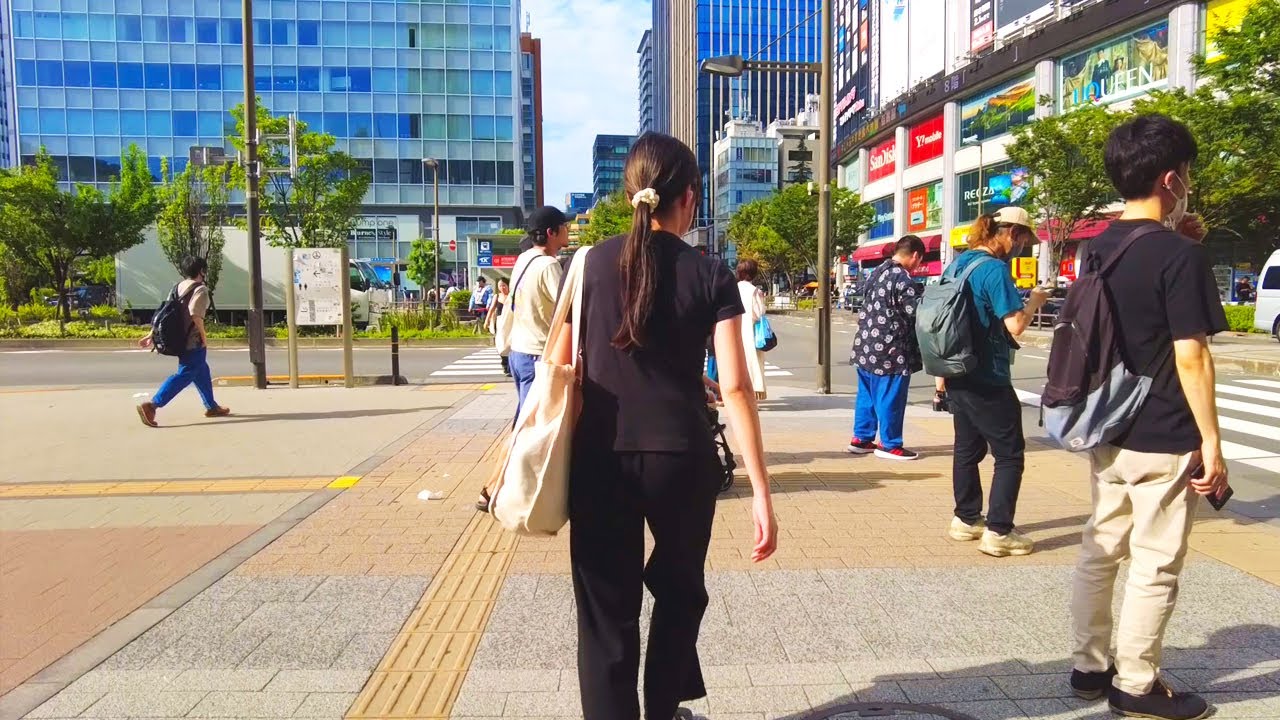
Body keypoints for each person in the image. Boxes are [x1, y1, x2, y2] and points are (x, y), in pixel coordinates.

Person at [543, 133, 777, 720]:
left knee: (605, 613)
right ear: (690, 198)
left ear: (630, 196)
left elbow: (566, 364)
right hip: (681, 459)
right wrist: (761, 491)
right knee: (679, 594)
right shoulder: (711, 273)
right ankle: (664, 710)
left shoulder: (588, 264)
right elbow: (736, 387)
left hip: (602, 457)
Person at [1069, 114, 1227, 720]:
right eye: (1186, 172)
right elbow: (1191, 356)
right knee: (1155, 561)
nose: (1188, 182)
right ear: (1170, 178)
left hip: (1106, 424)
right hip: (1163, 431)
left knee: (1101, 547)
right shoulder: (1180, 255)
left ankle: (1089, 667)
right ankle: (1135, 683)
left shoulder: (1096, 248)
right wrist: (1211, 442)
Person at [945, 206, 1049, 557]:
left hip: (956, 371)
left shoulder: (957, 264)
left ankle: (966, 519)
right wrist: (1034, 301)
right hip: (988, 375)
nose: (1021, 249)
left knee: (966, 449)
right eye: (1023, 241)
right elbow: (1015, 325)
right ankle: (999, 532)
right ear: (1011, 234)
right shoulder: (993, 269)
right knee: (1009, 454)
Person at [848, 235, 926, 460]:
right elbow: (916, 312)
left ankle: (861, 438)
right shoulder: (902, 278)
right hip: (891, 351)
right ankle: (890, 444)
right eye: (919, 260)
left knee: (867, 395)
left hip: (865, 346)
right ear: (915, 255)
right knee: (891, 396)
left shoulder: (877, 272)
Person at [135, 257, 231, 427]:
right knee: (186, 373)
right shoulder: (200, 289)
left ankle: (211, 406)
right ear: (201, 271)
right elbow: (195, 314)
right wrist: (203, 336)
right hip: (192, 340)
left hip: (178, 337)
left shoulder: (177, 287)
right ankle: (152, 405)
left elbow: (164, 313)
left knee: (201, 370)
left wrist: (151, 334)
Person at [507, 206, 569, 422]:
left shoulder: (523, 259)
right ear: (551, 232)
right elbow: (566, 306)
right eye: (564, 226)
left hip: (518, 350)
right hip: (537, 353)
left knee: (525, 417)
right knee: (531, 424)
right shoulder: (548, 265)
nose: (568, 229)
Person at [735, 259, 769, 401]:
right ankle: (753, 394)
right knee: (753, 362)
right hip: (751, 331)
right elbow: (759, 312)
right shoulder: (755, 291)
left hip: (734, 329)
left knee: (737, 362)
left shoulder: (733, 288)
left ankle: (739, 392)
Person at [485, 277, 512, 376]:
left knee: (511, 345)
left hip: (511, 323)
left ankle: (510, 367)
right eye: (500, 286)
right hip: (500, 323)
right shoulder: (497, 297)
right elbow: (491, 309)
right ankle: (505, 365)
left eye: (504, 285)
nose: (502, 288)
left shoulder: (512, 296)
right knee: (501, 344)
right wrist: (487, 320)